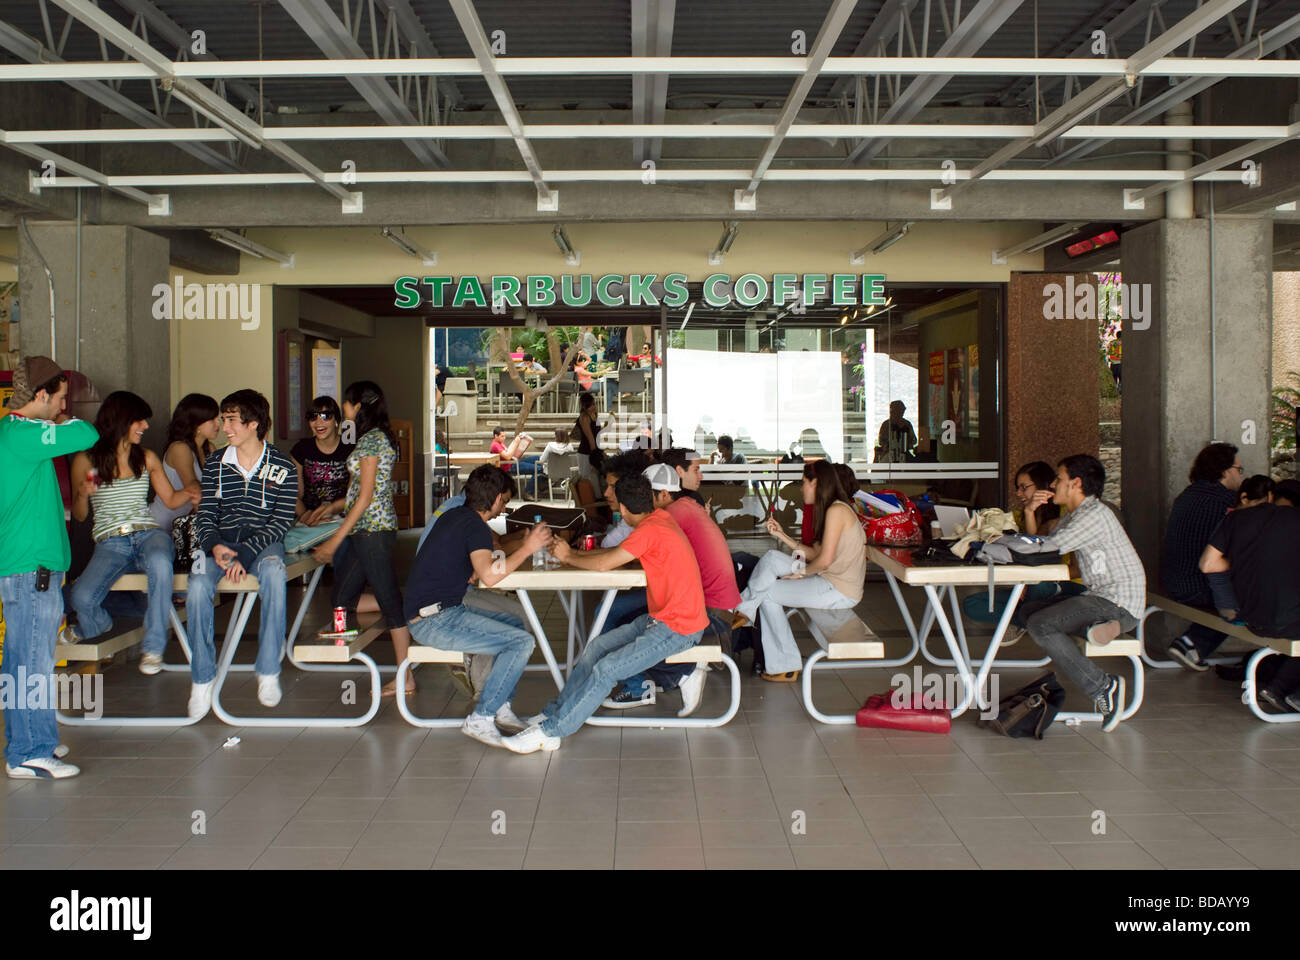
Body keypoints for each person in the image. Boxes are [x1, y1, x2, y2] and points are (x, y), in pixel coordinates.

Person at [501, 473, 707, 754]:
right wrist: (570, 554)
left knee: (608, 669)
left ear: (622, 508)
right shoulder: (657, 521)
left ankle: (551, 733)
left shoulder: (649, 530)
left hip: (678, 628)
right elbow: (611, 557)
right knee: (596, 648)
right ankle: (555, 712)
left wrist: (569, 557)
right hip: (660, 620)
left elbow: (605, 564)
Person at [404, 465, 552, 746]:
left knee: (514, 625)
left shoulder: (455, 516)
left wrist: (467, 568)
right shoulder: (475, 526)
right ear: (496, 499)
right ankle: (482, 718)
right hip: (434, 620)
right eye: (505, 501)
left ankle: (500, 707)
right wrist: (528, 547)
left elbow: (470, 564)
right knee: (520, 643)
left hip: (432, 612)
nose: (503, 507)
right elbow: (490, 576)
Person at [0, 357, 97, 778]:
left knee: (23, 659)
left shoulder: (17, 434)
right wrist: (62, 421)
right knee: (31, 663)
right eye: (59, 398)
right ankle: (28, 751)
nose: (63, 407)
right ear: (40, 395)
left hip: (29, 568)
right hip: (30, 569)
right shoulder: (22, 434)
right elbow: (87, 432)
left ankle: (33, 740)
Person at [66, 391, 200, 676]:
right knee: (80, 597)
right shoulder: (86, 461)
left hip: (148, 533)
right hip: (110, 541)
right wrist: (81, 494)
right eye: (139, 420)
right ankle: (97, 625)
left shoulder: (146, 457)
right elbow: (79, 515)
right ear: (121, 420)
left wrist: (191, 492)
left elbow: (171, 499)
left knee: (161, 564)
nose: (145, 426)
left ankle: (153, 647)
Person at [186, 389, 298, 718]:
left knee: (275, 573)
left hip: (263, 546)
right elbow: (205, 516)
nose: (224, 427)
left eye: (231, 420)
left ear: (253, 424)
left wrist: (243, 556)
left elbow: (280, 524)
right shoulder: (216, 464)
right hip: (219, 546)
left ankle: (268, 670)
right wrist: (216, 547)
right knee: (196, 585)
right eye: (223, 419)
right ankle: (202, 678)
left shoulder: (283, 466)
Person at [1012, 454, 1146, 729]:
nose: (1052, 484)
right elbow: (1043, 546)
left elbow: (1044, 550)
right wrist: (1029, 512)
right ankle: (1095, 628)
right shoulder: (1077, 515)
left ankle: (1103, 686)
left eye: (1058, 479)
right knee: (1027, 612)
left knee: (1041, 624)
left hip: (1117, 601)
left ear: (1075, 483)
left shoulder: (1092, 517)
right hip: (1100, 599)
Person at [604, 459, 741, 715]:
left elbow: (632, 554)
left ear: (664, 494)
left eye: (648, 497)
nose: (643, 504)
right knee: (628, 613)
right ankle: (644, 679)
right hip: (715, 603)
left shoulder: (669, 516)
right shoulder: (687, 506)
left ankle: (639, 686)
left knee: (615, 612)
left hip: (708, 611)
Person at [311, 381, 412, 697]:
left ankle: (405, 676)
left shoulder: (372, 441)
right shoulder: (372, 439)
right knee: (342, 598)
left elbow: (366, 497)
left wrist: (334, 540)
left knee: (390, 604)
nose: (344, 410)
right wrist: (333, 506)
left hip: (371, 530)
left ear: (359, 405)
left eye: (346, 404)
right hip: (364, 529)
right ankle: (408, 604)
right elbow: (359, 493)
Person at [734, 460, 867, 682]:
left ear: (817, 483)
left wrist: (801, 574)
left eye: (804, 482)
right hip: (829, 579)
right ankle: (744, 610)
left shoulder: (836, 511)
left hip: (838, 589)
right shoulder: (833, 509)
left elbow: (823, 561)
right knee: (772, 558)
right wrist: (782, 535)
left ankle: (784, 663)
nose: (801, 487)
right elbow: (815, 554)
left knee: (767, 592)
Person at [1199, 479, 1300, 712]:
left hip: (1251, 618)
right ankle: (1284, 691)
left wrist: (1240, 563)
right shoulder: (1294, 521)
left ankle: (1278, 688)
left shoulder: (1235, 518)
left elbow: (1207, 564)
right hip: (1286, 621)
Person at [961, 460, 1078, 629]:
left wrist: (1035, 580)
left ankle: (1027, 619)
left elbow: (1075, 569)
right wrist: (1029, 513)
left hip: (1067, 587)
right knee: (973, 604)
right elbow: (1028, 553)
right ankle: (1035, 620)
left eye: (1024, 487)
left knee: (1039, 588)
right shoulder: (1020, 515)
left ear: (1043, 486)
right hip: (1034, 585)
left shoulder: (1066, 517)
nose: (1018, 493)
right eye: (1017, 488)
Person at [1161, 443, 1243, 672]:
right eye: (1239, 469)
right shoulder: (1227, 503)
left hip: (1171, 580)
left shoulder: (1187, 495)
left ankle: (1192, 643)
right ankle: (1192, 643)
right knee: (1248, 595)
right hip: (1197, 585)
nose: (1240, 475)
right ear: (1226, 471)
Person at [150, 393, 220, 562]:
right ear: (196, 423)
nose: (218, 423)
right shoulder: (180, 448)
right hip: (161, 526)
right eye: (212, 419)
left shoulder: (209, 448)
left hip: (186, 528)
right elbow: (194, 487)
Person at [290, 396, 353, 527]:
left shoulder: (351, 449)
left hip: (343, 518)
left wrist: (331, 512)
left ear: (336, 420)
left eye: (326, 416)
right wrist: (307, 517)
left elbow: (355, 495)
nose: (319, 422)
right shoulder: (301, 449)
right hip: (308, 518)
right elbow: (295, 494)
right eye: (313, 417)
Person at [572, 391, 602, 486]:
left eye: (594, 404)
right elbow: (590, 437)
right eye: (591, 405)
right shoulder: (584, 417)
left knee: (595, 477)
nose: (593, 407)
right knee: (586, 478)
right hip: (585, 452)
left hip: (594, 449)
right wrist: (595, 454)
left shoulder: (594, 415)